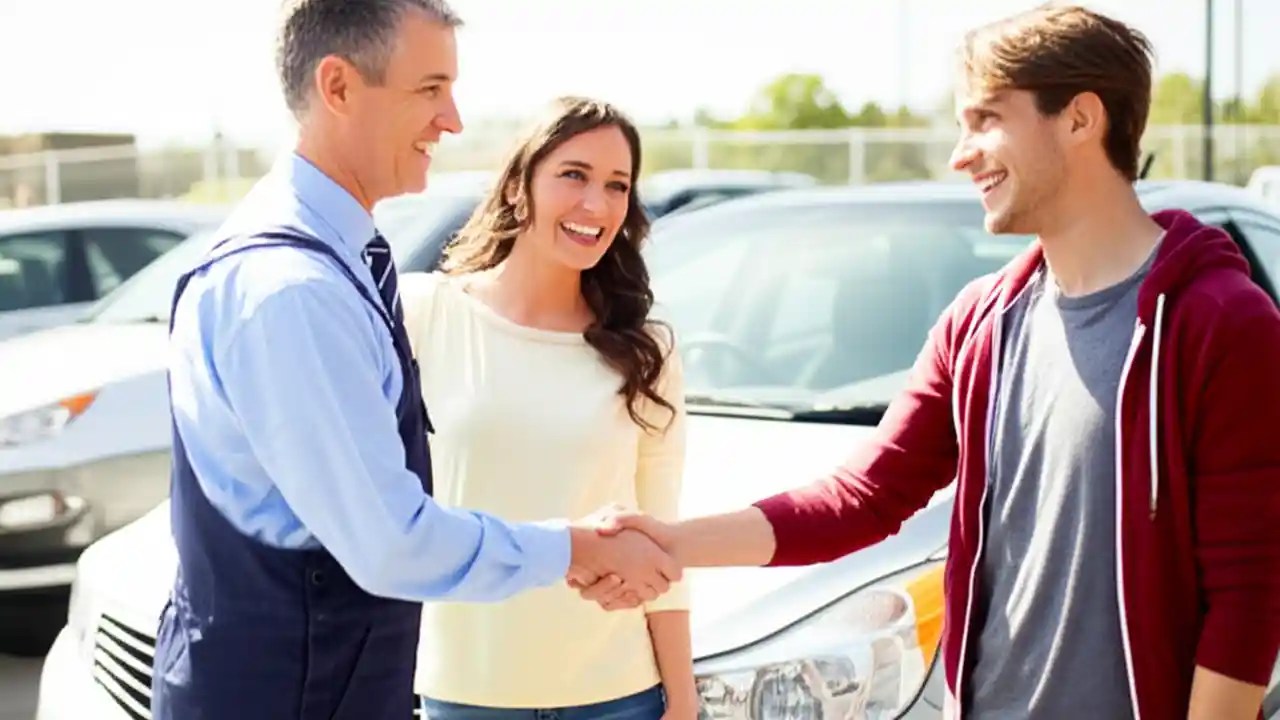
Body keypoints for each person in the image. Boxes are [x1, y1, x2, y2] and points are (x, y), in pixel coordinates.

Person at [578, 5, 1280, 720]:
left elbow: (1249, 594)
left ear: (1079, 119)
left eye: (985, 120)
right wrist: (672, 542)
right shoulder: (981, 323)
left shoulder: (1218, 321)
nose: (960, 153)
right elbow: (862, 497)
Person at [152, 3, 678, 719]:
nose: (453, 120)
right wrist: (576, 548)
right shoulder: (294, 293)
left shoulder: (338, 266)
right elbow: (391, 545)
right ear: (337, 87)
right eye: (430, 89)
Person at [397, 95, 695, 720]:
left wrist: (683, 698)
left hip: (618, 693)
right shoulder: (425, 313)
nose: (598, 205)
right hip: (467, 693)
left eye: (618, 186)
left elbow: (663, 535)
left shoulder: (647, 351)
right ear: (517, 187)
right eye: (573, 175)